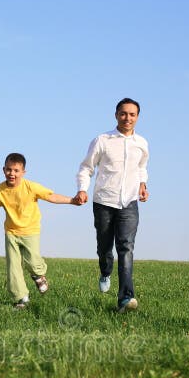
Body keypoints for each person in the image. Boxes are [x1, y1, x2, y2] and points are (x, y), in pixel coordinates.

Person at [0, 152, 85, 308]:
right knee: (13, 267)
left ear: (23, 172)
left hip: (31, 231)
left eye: (16, 170)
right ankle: (22, 298)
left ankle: (38, 275)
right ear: (3, 169)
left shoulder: (30, 187)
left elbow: (51, 196)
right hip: (11, 232)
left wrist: (72, 201)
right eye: (9, 170)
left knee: (33, 261)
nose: (12, 174)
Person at [76, 97, 150, 312]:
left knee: (126, 247)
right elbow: (86, 168)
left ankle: (126, 298)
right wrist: (82, 188)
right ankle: (105, 270)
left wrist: (143, 184)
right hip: (104, 202)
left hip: (129, 202)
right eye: (123, 113)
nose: (128, 118)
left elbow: (142, 167)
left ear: (137, 117)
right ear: (116, 115)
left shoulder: (142, 144)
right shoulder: (103, 140)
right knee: (104, 247)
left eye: (132, 114)